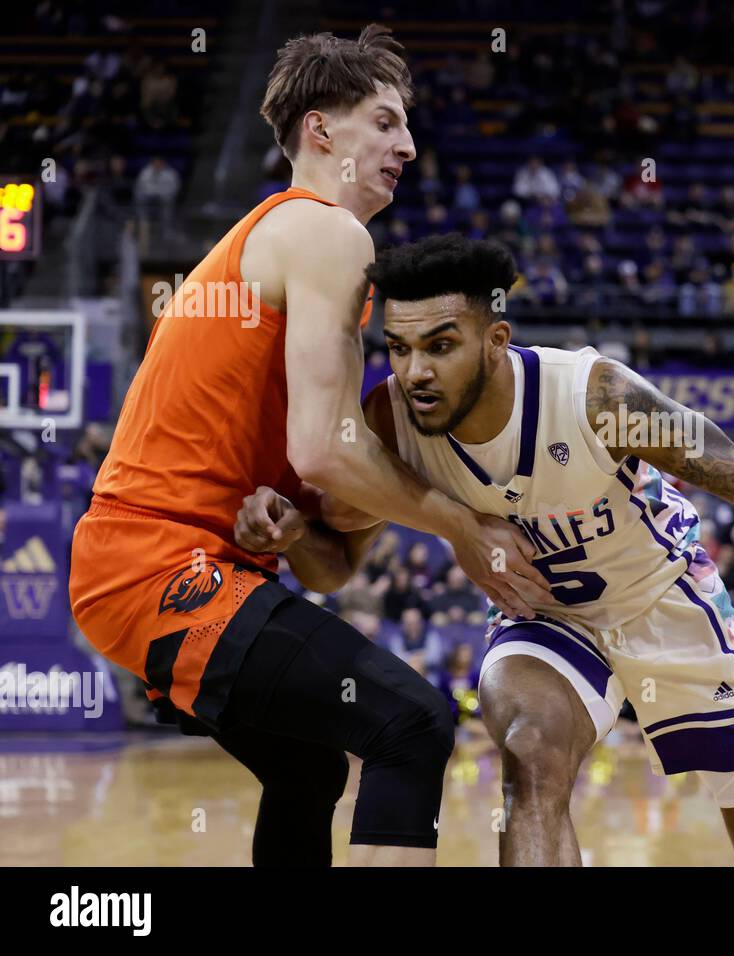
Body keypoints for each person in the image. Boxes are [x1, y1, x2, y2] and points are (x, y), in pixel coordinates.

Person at [236, 235, 734, 867]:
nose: (414, 371)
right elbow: (334, 568)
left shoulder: (599, 398)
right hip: (549, 626)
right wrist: (296, 536)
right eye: (399, 348)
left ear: (495, 339)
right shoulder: (392, 424)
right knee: (527, 754)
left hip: (670, 606)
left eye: (439, 345)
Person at [67, 25, 548, 868]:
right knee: (410, 724)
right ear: (321, 131)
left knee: (309, 768)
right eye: (386, 121)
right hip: (157, 562)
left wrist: (296, 531)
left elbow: (330, 568)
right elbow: (326, 452)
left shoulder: (305, 276)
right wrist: (463, 524)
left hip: (152, 566)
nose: (407, 144)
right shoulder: (324, 232)